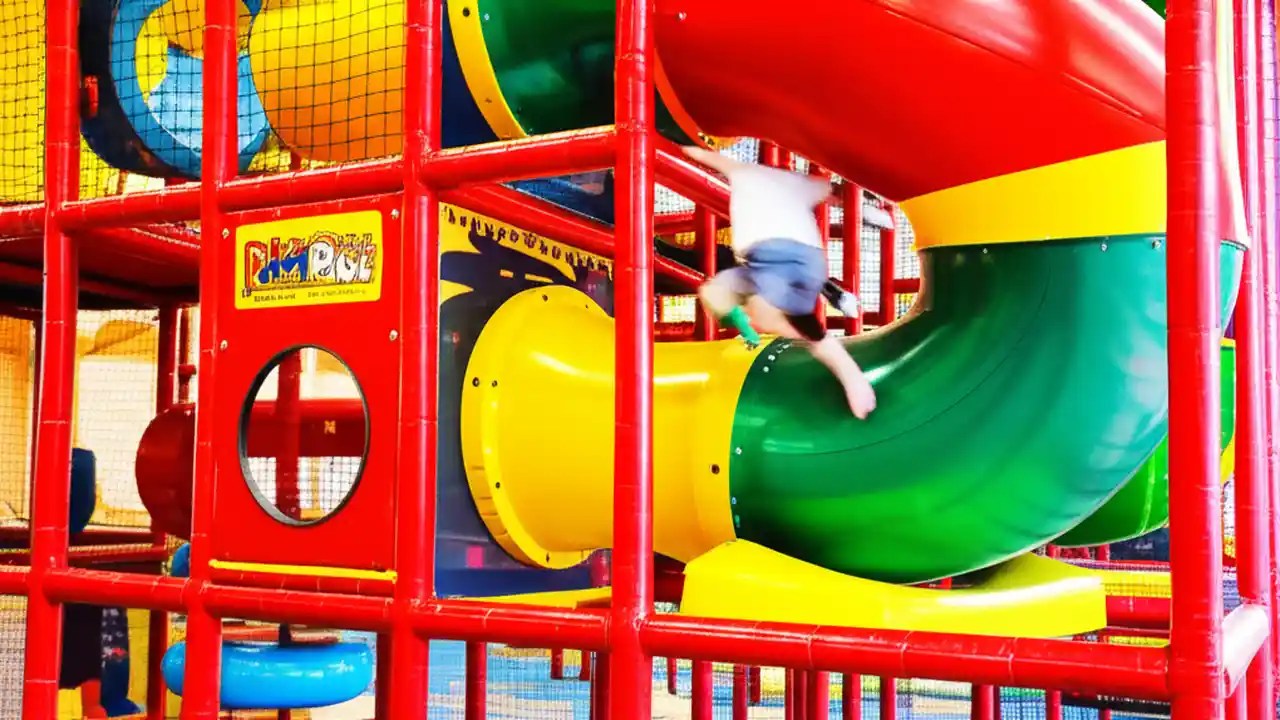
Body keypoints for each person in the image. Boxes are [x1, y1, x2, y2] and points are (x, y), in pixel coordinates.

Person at [683, 145, 877, 419]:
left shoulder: (744, 171)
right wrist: (870, 210)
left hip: (784, 260)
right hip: (775, 264)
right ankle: (763, 332)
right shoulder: (796, 182)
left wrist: (680, 145)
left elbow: (702, 155)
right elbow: (834, 192)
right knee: (715, 292)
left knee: (772, 314)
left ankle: (846, 371)